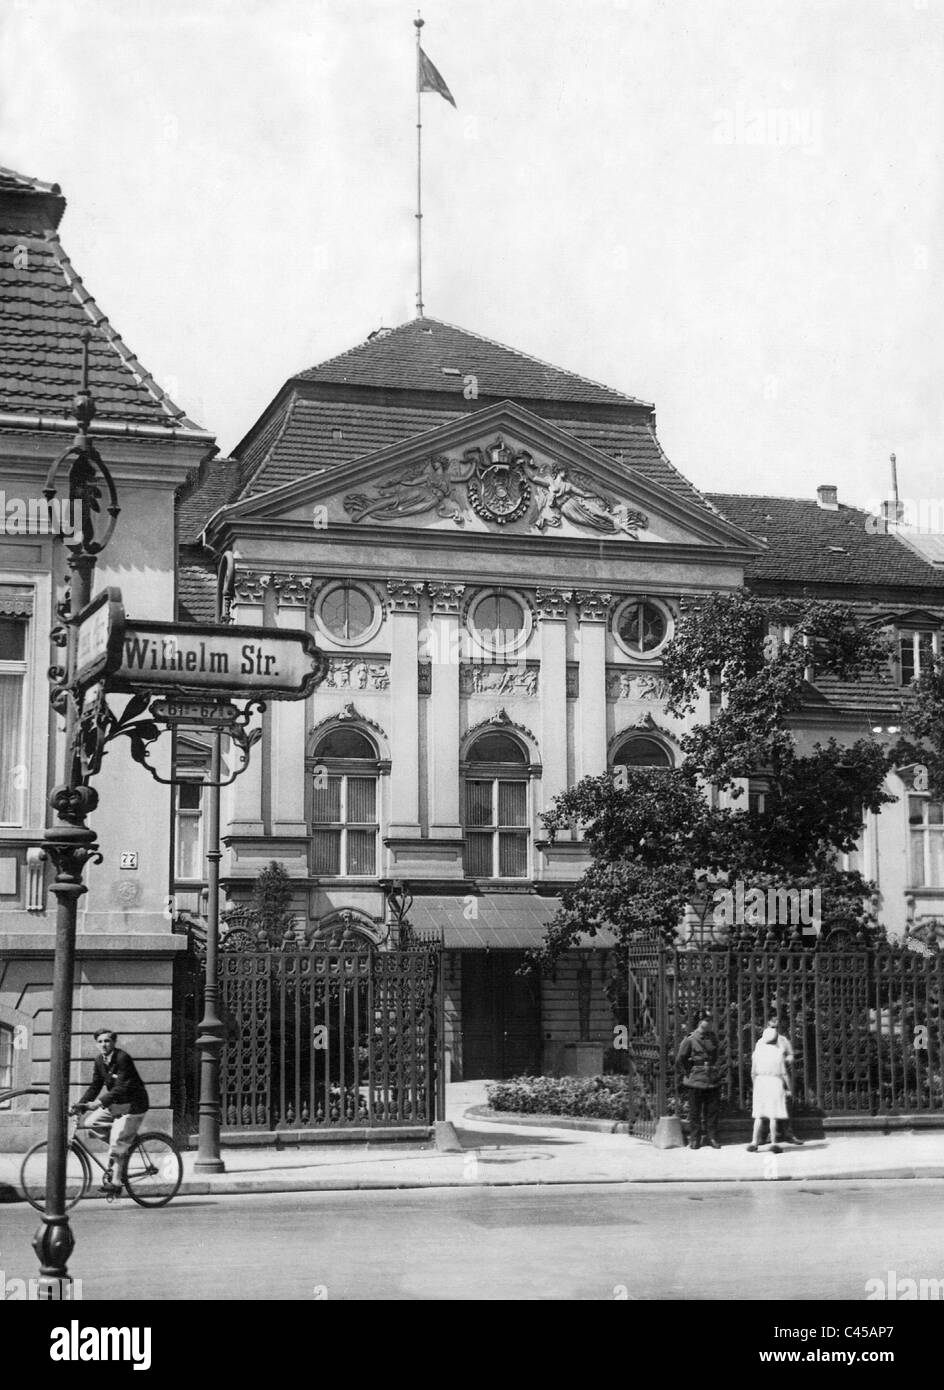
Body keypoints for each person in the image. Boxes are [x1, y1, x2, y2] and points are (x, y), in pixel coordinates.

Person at [69, 1029, 150, 1191]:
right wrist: (81, 1106)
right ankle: (123, 1148)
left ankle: (117, 1182)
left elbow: (120, 1088)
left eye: (107, 1041)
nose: (103, 1045)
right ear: (96, 1044)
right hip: (117, 1104)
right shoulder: (100, 1060)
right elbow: (95, 1086)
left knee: (117, 1142)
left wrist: (98, 1103)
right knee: (92, 1122)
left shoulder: (122, 1058)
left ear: (113, 1043)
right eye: (100, 1042)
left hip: (133, 1104)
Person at [676, 1014, 722, 1149]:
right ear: (699, 1021)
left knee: (712, 1111)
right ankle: (695, 1138)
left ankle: (711, 1137)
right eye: (706, 1020)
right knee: (695, 1110)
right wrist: (689, 1072)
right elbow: (680, 1058)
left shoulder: (713, 1038)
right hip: (696, 1079)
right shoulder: (690, 1039)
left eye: (710, 1020)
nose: (709, 1023)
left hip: (712, 1078)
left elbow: (716, 1055)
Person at [759, 1012, 804, 1145]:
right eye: (773, 1026)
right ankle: (764, 1135)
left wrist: (787, 1059)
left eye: (777, 1027)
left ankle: (788, 1134)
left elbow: (791, 1054)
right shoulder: (761, 1041)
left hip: (781, 1076)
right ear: (767, 1025)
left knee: (786, 1105)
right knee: (766, 1106)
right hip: (768, 1076)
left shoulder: (784, 1040)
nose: (775, 1029)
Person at [747, 1025, 790, 1152]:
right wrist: (789, 1088)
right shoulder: (778, 1053)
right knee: (773, 1114)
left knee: (759, 1115)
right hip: (775, 1082)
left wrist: (756, 1084)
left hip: (761, 1082)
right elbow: (784, 1073)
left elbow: (752, 1073)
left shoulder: (757, 1053)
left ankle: (754, 1142)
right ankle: (773, 1143)